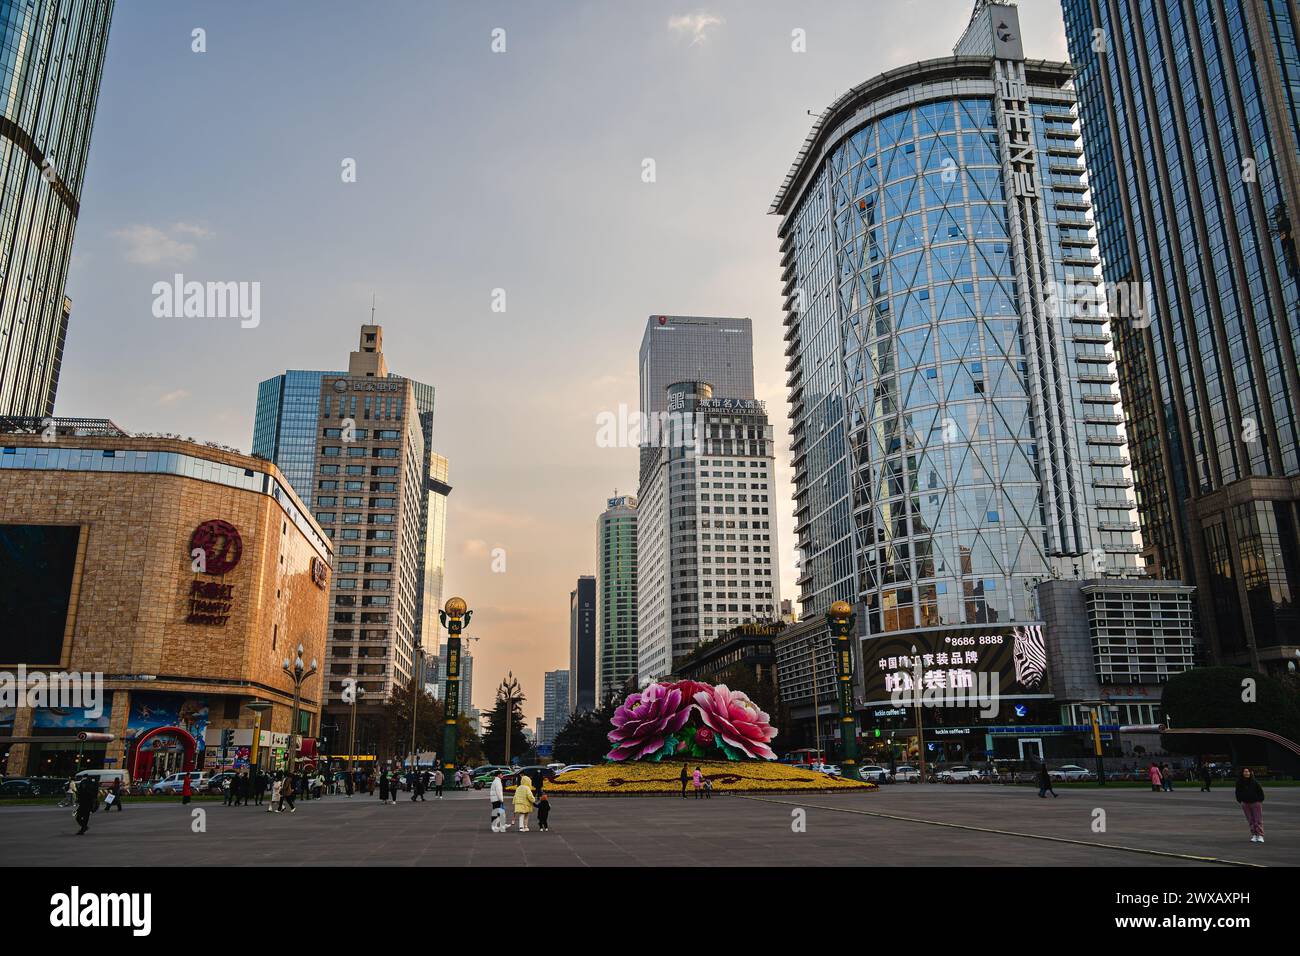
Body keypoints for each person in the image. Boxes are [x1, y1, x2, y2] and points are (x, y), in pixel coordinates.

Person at [1235, 767, 1265, 843]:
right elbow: (1237, 792)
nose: (1246, 773)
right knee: (1250, 820)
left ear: (1251, 773)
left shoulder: (1255, 782)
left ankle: (1260, 835)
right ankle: (1254, 835)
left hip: (1255, 803)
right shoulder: (1239, 783)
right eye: (1245, 771)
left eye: (1248, 771)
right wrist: (1240, 800)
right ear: (1242, 773)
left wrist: (1259, 800)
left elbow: (1260, 792)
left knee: (1258, 820)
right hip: (1245, 803)